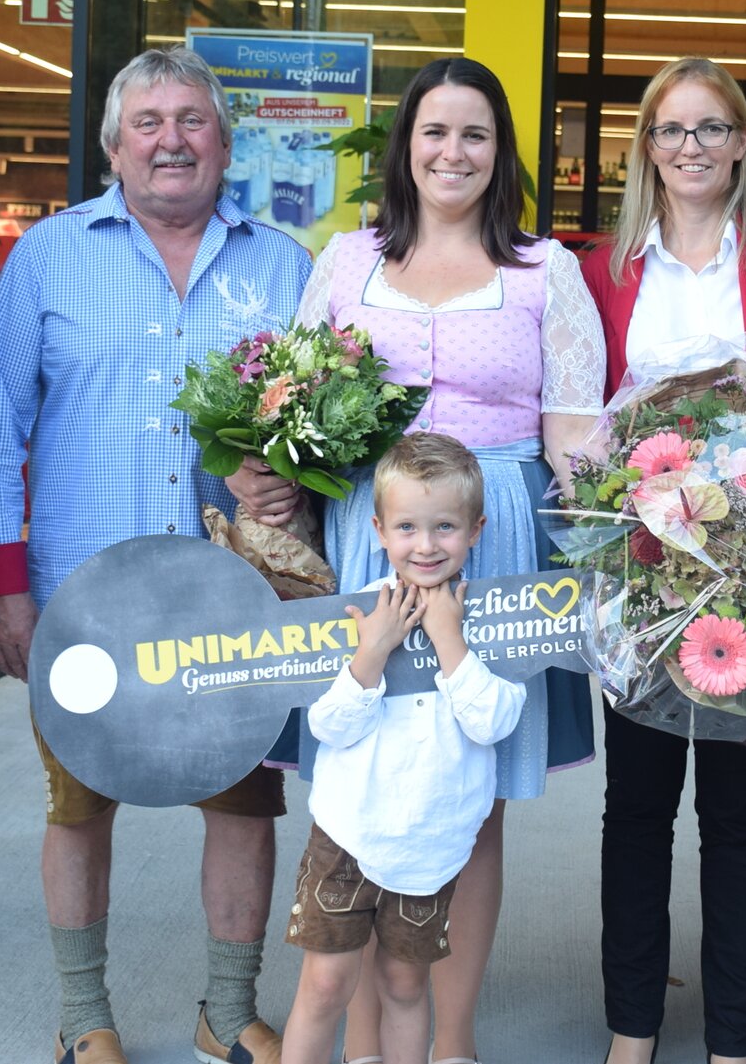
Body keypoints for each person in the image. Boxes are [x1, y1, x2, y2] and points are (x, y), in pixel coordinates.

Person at [0, 46, 313, 1064]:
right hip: (85, 595)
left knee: (245, 801)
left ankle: (226, 1008)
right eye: (149, 121)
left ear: (224, 142)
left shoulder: (283, 266)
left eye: (192, 120)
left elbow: (322, 435)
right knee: (78, 805)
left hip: (233, 594)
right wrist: (2, 589)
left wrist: (293, 483)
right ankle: (84, 1018)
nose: (172, 139)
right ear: (113, 144)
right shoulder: (48, 255)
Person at [265, 55, 605, 1064]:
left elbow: (574, 437)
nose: (451, 151)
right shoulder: (346, 260)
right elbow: (290, 409)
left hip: (493, 534)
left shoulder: (546, 270)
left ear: (499, 155)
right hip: (369, 535)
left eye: (473, 134)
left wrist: (607, 556)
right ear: (403, 147)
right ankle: (367, 1039)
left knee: (470, 791)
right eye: (433, 131)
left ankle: (445, 1040)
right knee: (358, 774)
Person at [578, 56, 746, 1064]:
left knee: (738, 819)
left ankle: (733, 1037)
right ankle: (630, 1031)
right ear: (645, 146)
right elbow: (587, 417)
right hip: (640, 573)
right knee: (636, 811)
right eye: (669, 129)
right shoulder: (609, 268)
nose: (689, 146)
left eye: (709, 127)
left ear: (741, 143)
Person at [279, 434, 526, 1064]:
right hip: (349, 835)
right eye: (408, 527)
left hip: (433, 844)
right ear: (379, 530)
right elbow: (329, 727)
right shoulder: (360, 614)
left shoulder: (490, 618)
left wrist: (451, 644)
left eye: (444, 526)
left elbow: (494, 722)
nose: (425, 544)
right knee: (325, 984)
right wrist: (372, 653)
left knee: (405, 985)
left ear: (476, 529)